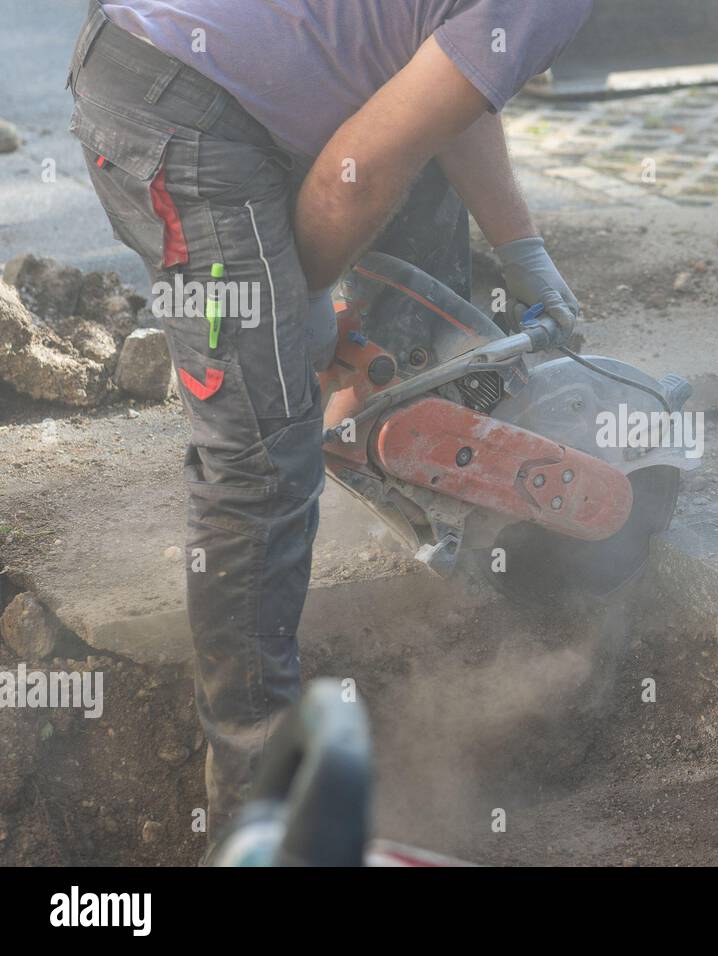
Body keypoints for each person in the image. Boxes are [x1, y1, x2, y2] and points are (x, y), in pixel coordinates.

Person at [67, 0, 592, 843]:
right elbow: (359, 162)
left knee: (404, 201)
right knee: (263, 451)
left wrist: (519, 244)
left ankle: (393, 431)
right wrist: (303, 298)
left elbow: (445, 87)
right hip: (177, 113)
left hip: (175, 62)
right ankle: (257, 808)